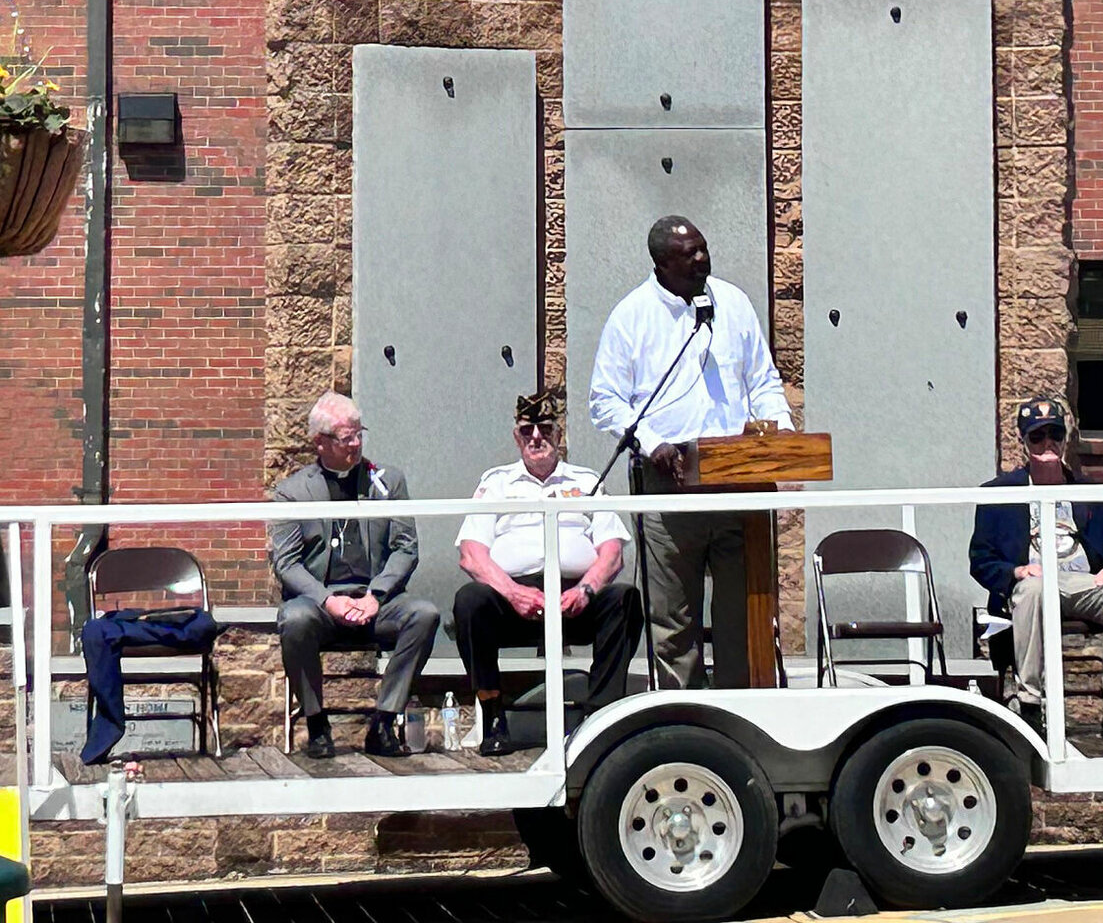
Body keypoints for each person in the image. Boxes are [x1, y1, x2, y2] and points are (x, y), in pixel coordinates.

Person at [589, 215, 792, 689]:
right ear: (661, 263)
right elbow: (606, 399)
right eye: (689, 254)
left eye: (704, 249)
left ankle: (745, 711)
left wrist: (780, 434)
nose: (703, 259)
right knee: (674, 619)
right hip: (670, 484)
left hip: (739, 481)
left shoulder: (733, 303)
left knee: (744, 614)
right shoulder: (632, 316)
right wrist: (651, 441)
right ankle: (685, 719)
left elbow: (762, 381)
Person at [453, 389, 644, 755]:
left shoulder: (587, 481)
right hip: (514, 600)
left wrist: (586, 590)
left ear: (559, 434)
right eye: (527, 430)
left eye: (544, 428)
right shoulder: (496, 483)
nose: (536, 437)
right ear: (517, 437)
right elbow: (472, 554)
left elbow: (612, 552)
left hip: (575, 598)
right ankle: (492, 713)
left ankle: (598, 716)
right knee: (470, 601)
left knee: (625, 600)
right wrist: (512, 592)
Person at [969, 396, 1103, 739]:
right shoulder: (999, 494)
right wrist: (1017, 572)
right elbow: (981, 560)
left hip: (1084, 581)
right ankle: (1029, 705)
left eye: (1055, 434)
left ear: (1066, 439)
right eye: (1037, 437)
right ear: (1023, 442)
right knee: (1033, 590)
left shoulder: (1089, 492)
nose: (1047, 443)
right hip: (1033, 582)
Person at [270, 391, 440, 758]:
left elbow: (405, 547)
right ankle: (316, 723)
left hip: (377, 600)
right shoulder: (292, 493)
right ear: (320, 442)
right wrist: (327, 600)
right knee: (293, 619)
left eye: (359, 433)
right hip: (321, 605)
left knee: (424, 614)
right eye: (347, 438)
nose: (356, 444)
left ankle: (383, 722)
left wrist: (375, 596)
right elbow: (286, 563)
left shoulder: (387, 482)